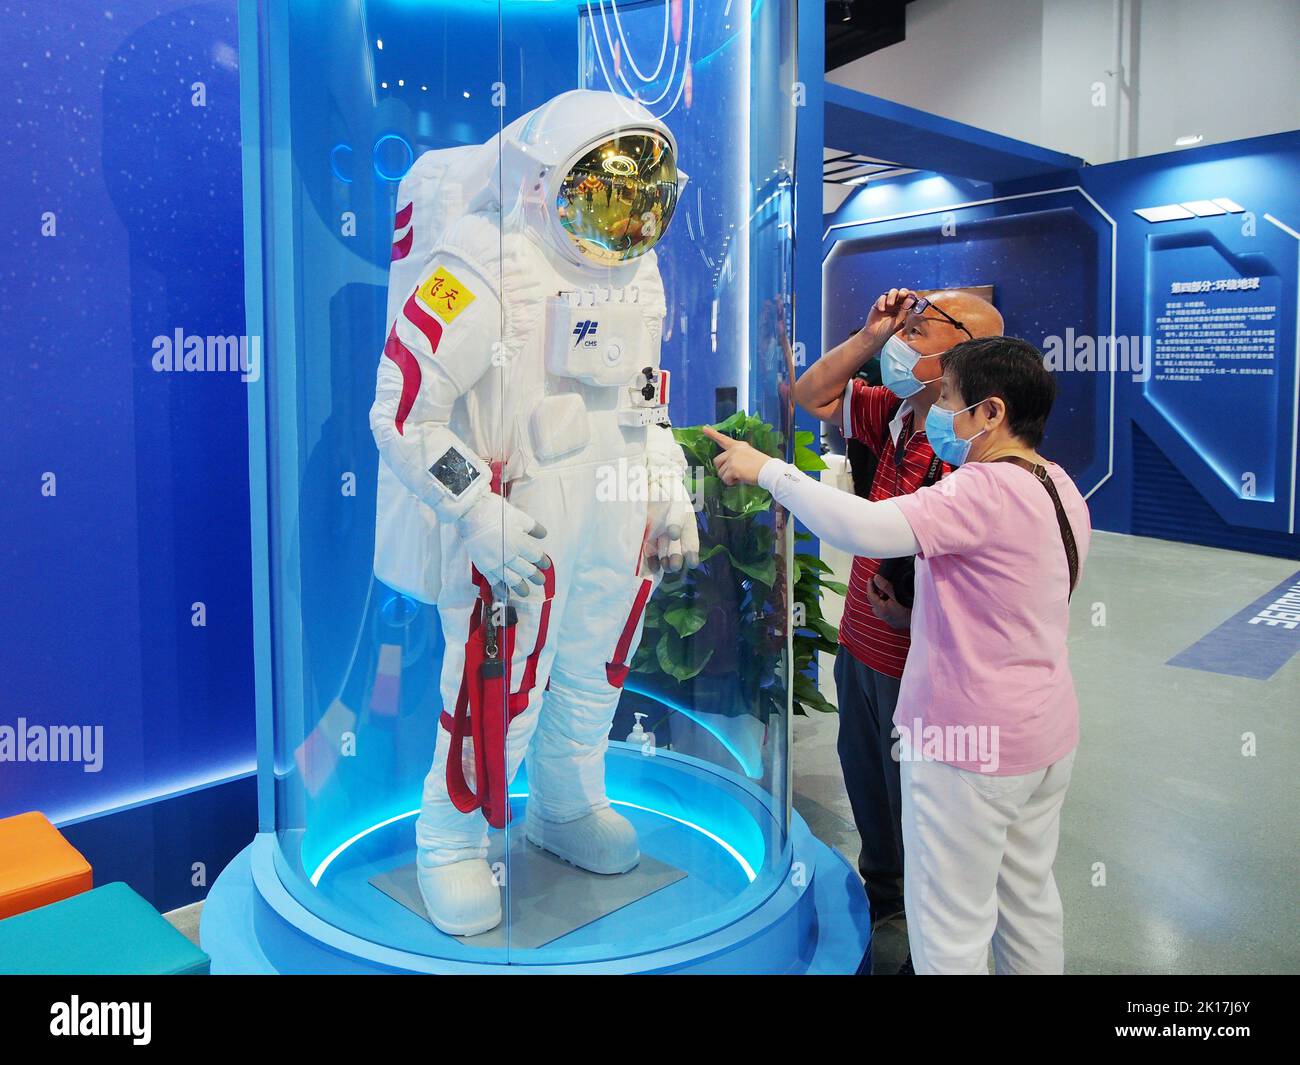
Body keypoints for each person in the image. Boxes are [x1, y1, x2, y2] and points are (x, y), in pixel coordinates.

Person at [370, 90, 698, 936]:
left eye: (642, 196)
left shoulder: (640, 271)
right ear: (544, 183)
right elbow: (403, 412)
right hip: (517, 514)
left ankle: (565, 801)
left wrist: (669, 487)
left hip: (613, 508)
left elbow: (647, 404)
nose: (623, 215)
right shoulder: (479, 259)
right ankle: (449, 840)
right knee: (496, 683)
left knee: (595, 671)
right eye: (603, 192)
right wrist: (475, 506)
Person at [707, 335, 1091, 975]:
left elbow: (863, 526)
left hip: (968, 744)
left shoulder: (980, 490)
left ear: (991, 413)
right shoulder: (1058, 485)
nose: (938, 410)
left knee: (950, 929)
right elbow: (1015, 603)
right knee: (1027, 903)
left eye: (949, 399)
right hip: (1042, 737)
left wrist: (767, 471)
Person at [791, 288, 1003, 930]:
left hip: (918, 656)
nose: (905, 338)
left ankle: (931, 931)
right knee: (866, 781)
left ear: (963, 351)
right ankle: (885, 901)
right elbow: (809, 395)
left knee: (919, 799)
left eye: (919, 328)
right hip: (860, 640)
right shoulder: (893, 413)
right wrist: (870, 335)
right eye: (904, 326)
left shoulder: (970, 446)